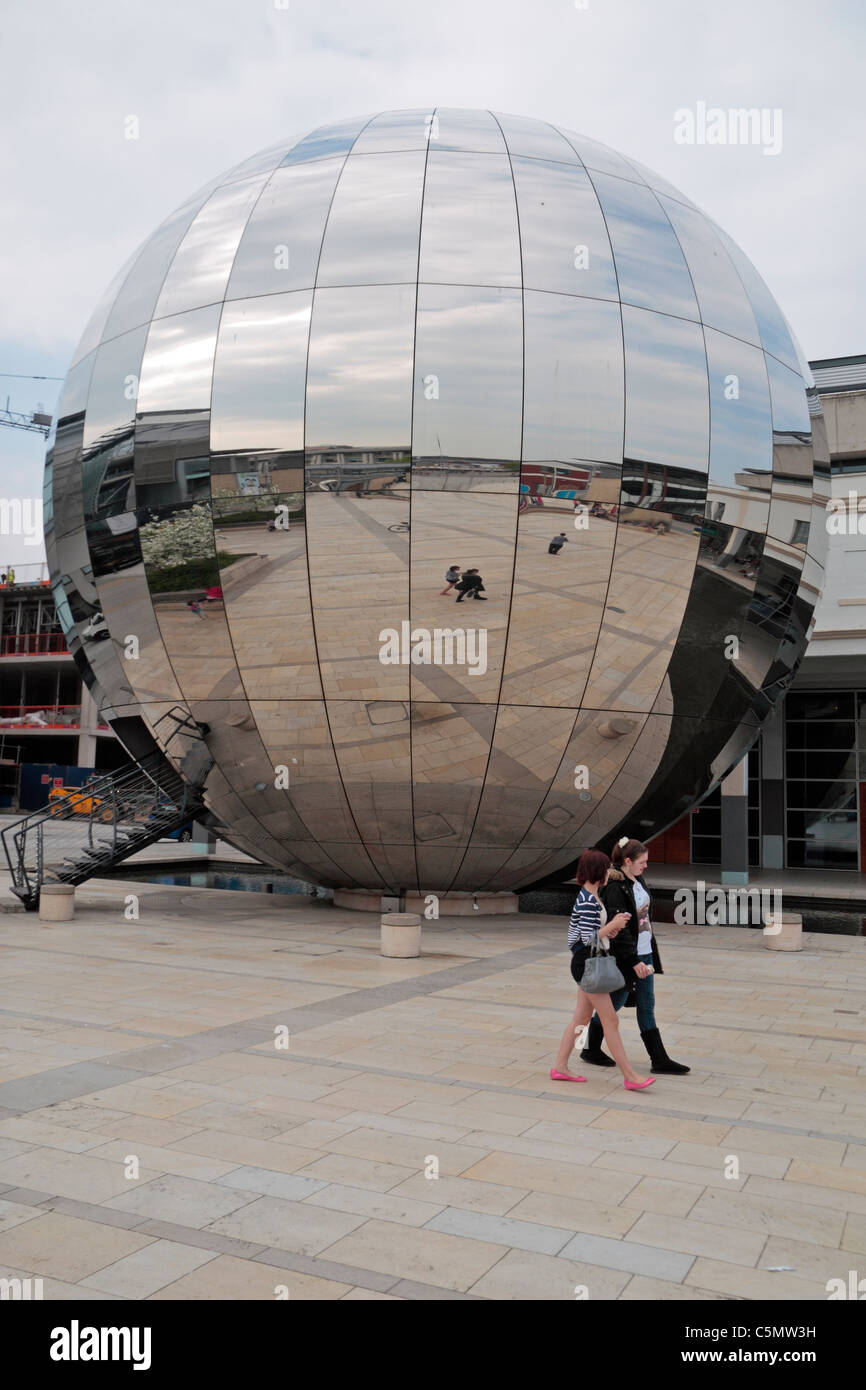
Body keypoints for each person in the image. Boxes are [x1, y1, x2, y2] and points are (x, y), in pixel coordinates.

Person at [580, 836, 690, 1075]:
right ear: (627, 861)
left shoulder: (636, 879)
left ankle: (659, 1059)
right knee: (615, 1004)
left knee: (646, 1004)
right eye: (642, 861)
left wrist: (645, 956)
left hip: (645, 953)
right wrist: (634, 961)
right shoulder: (616, 888)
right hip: (629, 959)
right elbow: (619, 933)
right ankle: (589, 1048)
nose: (646, 865)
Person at [551, 848, 655, 1090]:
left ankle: (560, 1067)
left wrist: (611, 929)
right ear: (599, 871)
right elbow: (588, 938)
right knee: (611, 1021)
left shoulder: (590, 895)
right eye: (606, 868)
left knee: (582, 1017)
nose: (609, 871)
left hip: (587, 962)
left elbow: (590, 936)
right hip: (589, 964)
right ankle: (631, 1076)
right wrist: (613, 926)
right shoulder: (588, 900)